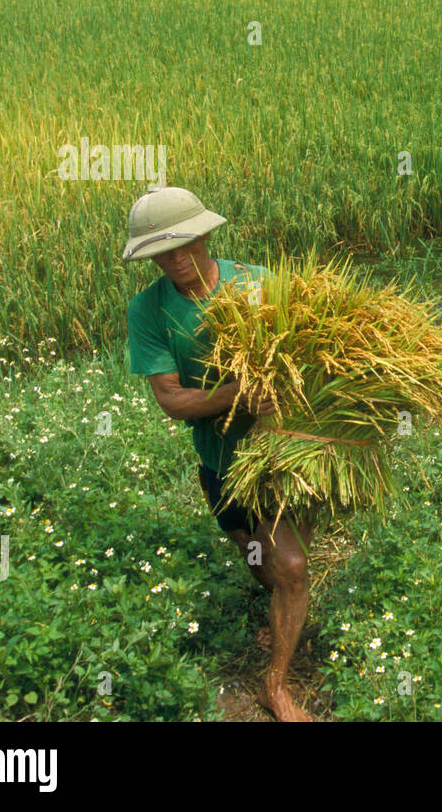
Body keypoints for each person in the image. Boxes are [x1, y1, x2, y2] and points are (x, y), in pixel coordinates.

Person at [122, 186, 313, 722]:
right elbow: (171, 398)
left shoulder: (254, 284)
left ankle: (274, 686)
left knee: (292, 564)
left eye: (184, 242)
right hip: (220, 462)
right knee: (257, 558)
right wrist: (236, 394)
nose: (176, 258)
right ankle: (277, 600)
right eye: (162, 251)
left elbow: (306, 352)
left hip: (278, 452)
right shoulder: (149, 311)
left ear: (205, 233)